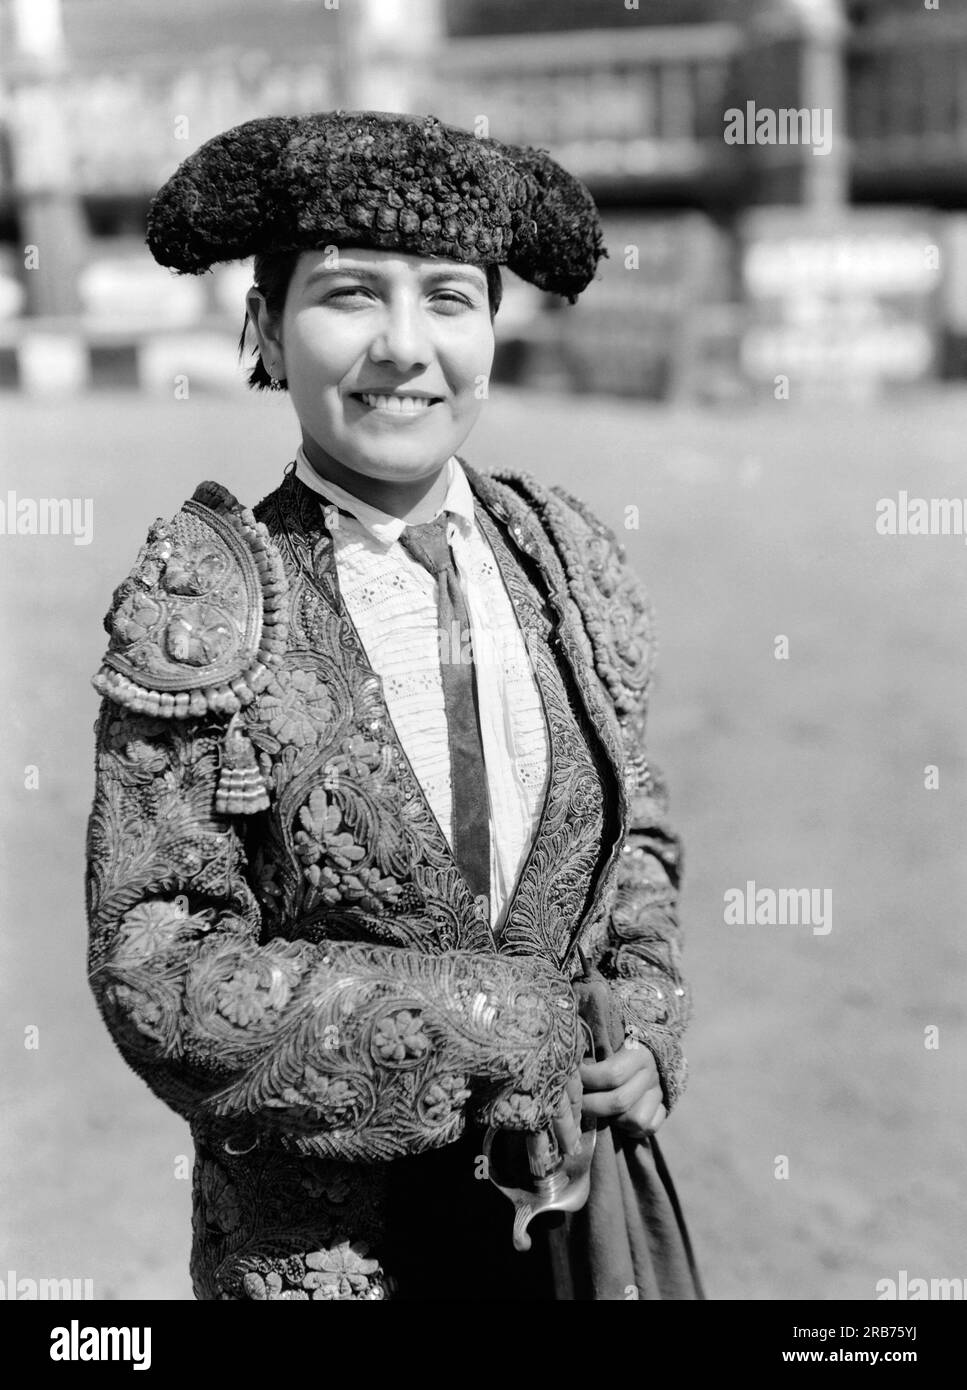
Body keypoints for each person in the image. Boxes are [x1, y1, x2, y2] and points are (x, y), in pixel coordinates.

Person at [85, 109, 703, 1301]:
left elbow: (633, 839)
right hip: (328, 1252)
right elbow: (156, 968)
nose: (403, 349)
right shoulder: (205, 592)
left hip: (573, 1223)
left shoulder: (565, 553)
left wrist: (641, 1015)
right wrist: (497, 1024)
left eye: (450, 300)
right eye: (351, 295)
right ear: (264, 325)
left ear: (491, 329)